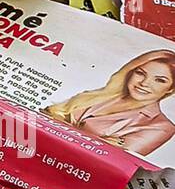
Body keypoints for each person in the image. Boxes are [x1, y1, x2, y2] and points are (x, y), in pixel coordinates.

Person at [45, 51, 175, 157]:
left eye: (160, 80)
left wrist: (60, 121)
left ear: (170, 88)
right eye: (140, 73)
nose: (144, 83)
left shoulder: (162, 127)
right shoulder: (100, 95)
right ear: (130, 72)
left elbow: (108, 158)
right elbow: (49, 112)